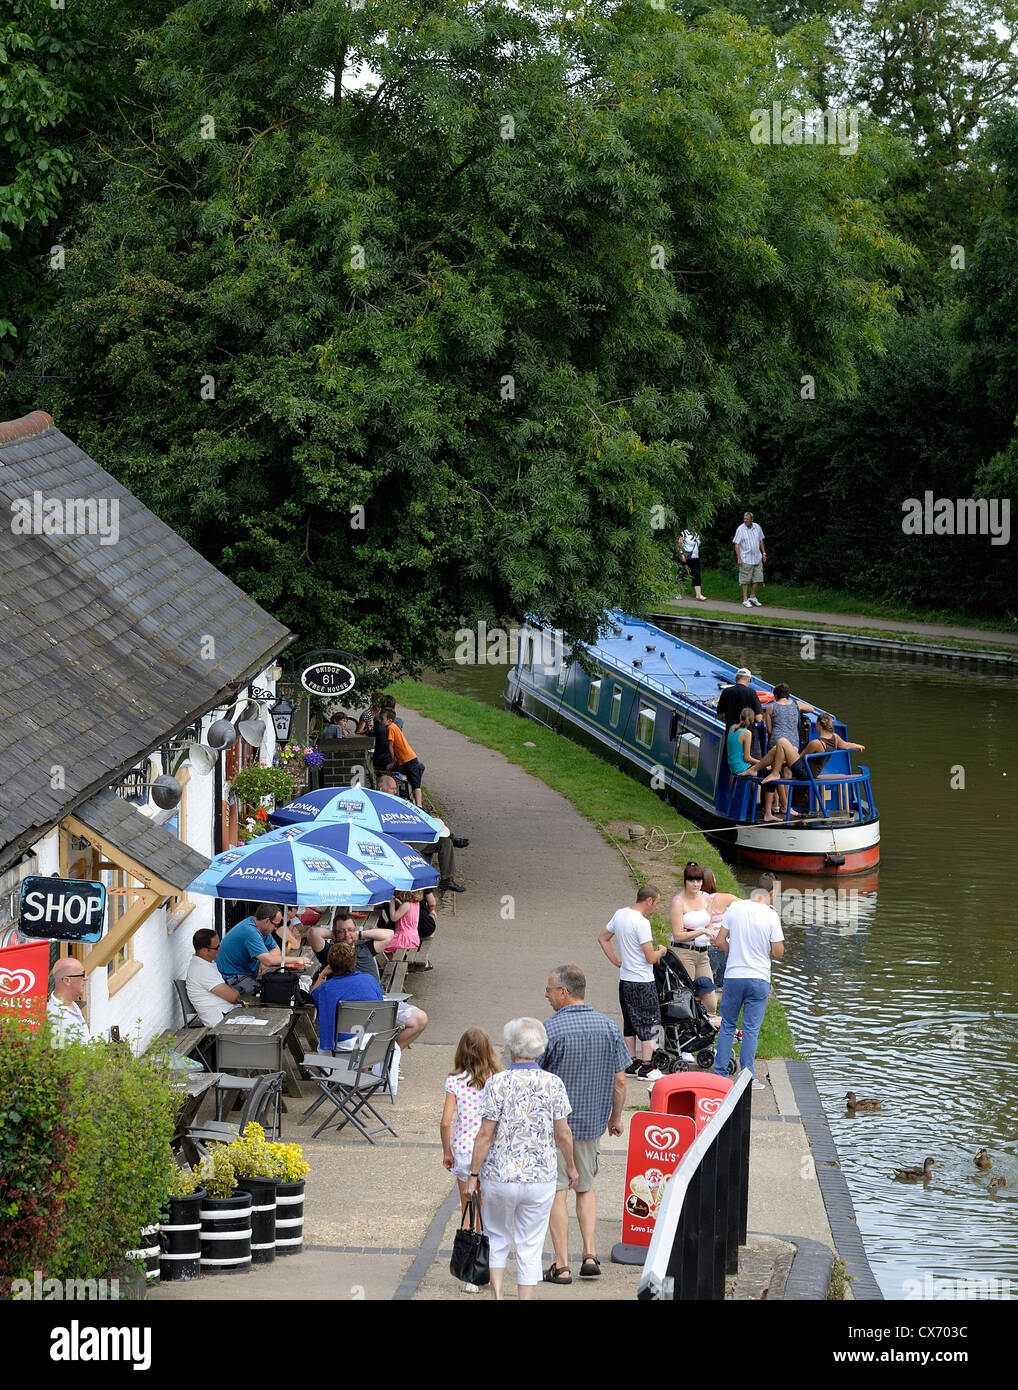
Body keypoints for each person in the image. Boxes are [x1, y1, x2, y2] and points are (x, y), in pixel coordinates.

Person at [464, 1017, 577, 1301]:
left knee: (498, 1238)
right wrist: (572, 1166)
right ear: (539, 1047)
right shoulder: (553, 1083)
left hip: (500, 1175)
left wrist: (473, 1174)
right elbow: (563, 1133)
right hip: (539, 1177)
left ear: (510, 1047)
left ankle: (498, 1296)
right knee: (530, 1244)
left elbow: (485, 1135)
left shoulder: (497, 1083)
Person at [539, 965, 630, 1285]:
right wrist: (615, 1118)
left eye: (549, 989)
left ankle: (561, 1265)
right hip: (591, 1125)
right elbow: (620, 1081)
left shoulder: (549, 1031)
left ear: (564, 992)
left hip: (556, 1128)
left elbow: (532, 1077)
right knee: (586, 1188)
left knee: (556, 1191)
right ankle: (590, 1254)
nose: (546, 995)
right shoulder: (608, 1027)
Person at [440, 1027, 502, 1292]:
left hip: (465, 1152)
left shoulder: (454, 1081)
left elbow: (445, 1122)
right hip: (490, 1151)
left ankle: (469, 1274)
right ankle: (491, 1266)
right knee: (487, 1211)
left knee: (467, 1208)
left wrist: (447, 1151)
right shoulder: (497, 1079)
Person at [712, 873, 784, 1083]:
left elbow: (719, 941)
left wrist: (733, 950)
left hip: (734, 976)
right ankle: (747, 1076)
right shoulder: (771, 915)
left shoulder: (735, 908)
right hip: (759, 978)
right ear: (772, 892)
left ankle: (720, 1074)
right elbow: (778, 952)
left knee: (727, 1025)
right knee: (751, 1030)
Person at [597, 884, 668, 1081]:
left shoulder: (620, 914)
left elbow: (603, 938)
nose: (657, 907)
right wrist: (661, 951)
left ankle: (631, 1062)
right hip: (643, 981)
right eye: (657, 903)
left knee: (630, 1022)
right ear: (649, 900)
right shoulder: (642, 923)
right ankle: (647, 1067)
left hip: (626, 979)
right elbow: (650, 958)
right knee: (650, 1021)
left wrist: (616, 961)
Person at [378, 773, 468, 892]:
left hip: (416, 837)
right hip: (405, 843)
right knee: (440, 835)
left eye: (396, 788)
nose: (395, 792)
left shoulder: (396, 802)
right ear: (382, 789)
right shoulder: (380, 806)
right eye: (392, 789)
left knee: (444, 842)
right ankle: (453, 838)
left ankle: (447, 880)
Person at [727, 708, 800, 822]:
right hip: (744, 768)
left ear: (740, 717)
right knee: (775, 776)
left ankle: (782, 807)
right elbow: (747, 758)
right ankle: (772, 812)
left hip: (734, 767)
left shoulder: (732, 728)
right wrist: (763, 764)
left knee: (772, 773)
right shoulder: (747, 733)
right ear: (752, 721)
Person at [668, 862, 718, 1011]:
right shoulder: (678, 901)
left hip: (703, 953)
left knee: (710, 1001)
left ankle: (707, 1028)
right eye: (691, 880)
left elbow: (709, 924)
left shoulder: (706, 898)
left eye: (699, 880)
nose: (696, 884)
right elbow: (678, 936)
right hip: (683, 953)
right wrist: (701, 931)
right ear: (685, 881)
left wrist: (714, 935)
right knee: (685, 997)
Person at [764, 684, 816, 814]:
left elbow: (769, 730)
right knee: (787, 774)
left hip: (775, 743)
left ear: (775, 696)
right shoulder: (796, 704)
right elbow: (811, 708)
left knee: (776, 772)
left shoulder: (771, 708)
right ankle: (786, 806)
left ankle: (776, 805)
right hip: (792, 744)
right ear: (788, 695)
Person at [215, 903, 284, 995]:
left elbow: (276, 949)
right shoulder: (250, 932)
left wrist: (263, 961)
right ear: (267, 921)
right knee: (272, 994)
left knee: (277, 988)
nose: (275, 928)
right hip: (231, 978)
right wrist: (299, 960)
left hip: (245, 974)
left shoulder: (261, 929)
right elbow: (269, 961)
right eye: (275, 925)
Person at [186, 929, 242, 1025]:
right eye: (216, 947)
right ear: (204, 951)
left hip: (227, 1013)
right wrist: (235, 991)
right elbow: (232, 997)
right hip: (222, 1020)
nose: (220, 948)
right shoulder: (202, 970)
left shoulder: (204, 963)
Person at [701, 866, 738, 998]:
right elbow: (747, 906)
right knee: (719, 982)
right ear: (713, 881)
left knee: (704, 980)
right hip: (720, 944)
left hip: (702, 945)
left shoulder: (695, 900)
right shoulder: (723, 898)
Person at [377, 708, 425, 808]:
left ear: (389, 720)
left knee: (416, 784)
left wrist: (391, 761)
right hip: (404, 760)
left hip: (409, 759)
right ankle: (407, 797)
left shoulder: (390, 728)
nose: (380, 721)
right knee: (405, 778)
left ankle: (419, 806)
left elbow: (390, 746)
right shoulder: (393, 727)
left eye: (382, 719)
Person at [47, 957, 91, 1044]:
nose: (86, 978)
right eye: (82, 974)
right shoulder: (56, 1017)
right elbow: (59, 1054)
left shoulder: (71, 1003)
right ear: (67, 980)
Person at [733, 510, 767, 608]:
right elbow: (737, 544)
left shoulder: (757, 527)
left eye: (747, 519)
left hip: (757, 558)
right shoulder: (740, 529)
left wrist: (764, 553)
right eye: (744, 519)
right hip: (746, 559)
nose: (745, 521)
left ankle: (752, 596)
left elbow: (761, 540)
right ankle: (745, 599)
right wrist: (739, 558)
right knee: (745, 580)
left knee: (758, 578)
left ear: (752, 519)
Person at [384, 889, 421, 954]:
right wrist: (399, 903)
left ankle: (390, 962)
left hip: (403, 938)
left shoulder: (406, 905)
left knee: (381, 946)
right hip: (413, 937)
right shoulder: (416, 903)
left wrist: (391, 903)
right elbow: (407, 913)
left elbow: (393, 918)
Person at [678, 526, 707, 600]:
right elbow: (679, 545)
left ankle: (698, 595)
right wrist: (682, 555)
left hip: (695, 557)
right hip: (686, 557)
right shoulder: (684, 533)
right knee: (682, 574)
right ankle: (678, 593)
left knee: (696, 574)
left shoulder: (697, 534)